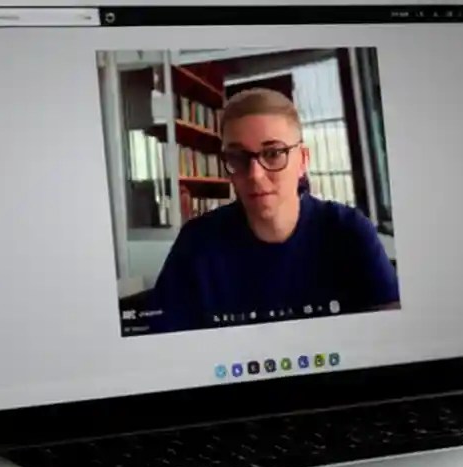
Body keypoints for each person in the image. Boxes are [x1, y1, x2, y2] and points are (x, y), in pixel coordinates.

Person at [150, 88, 399, 333]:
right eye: (237, 157)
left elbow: (392, 338)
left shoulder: (348, 231)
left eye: (273, 153)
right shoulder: (196, 243)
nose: (255, 175)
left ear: (303, 160)